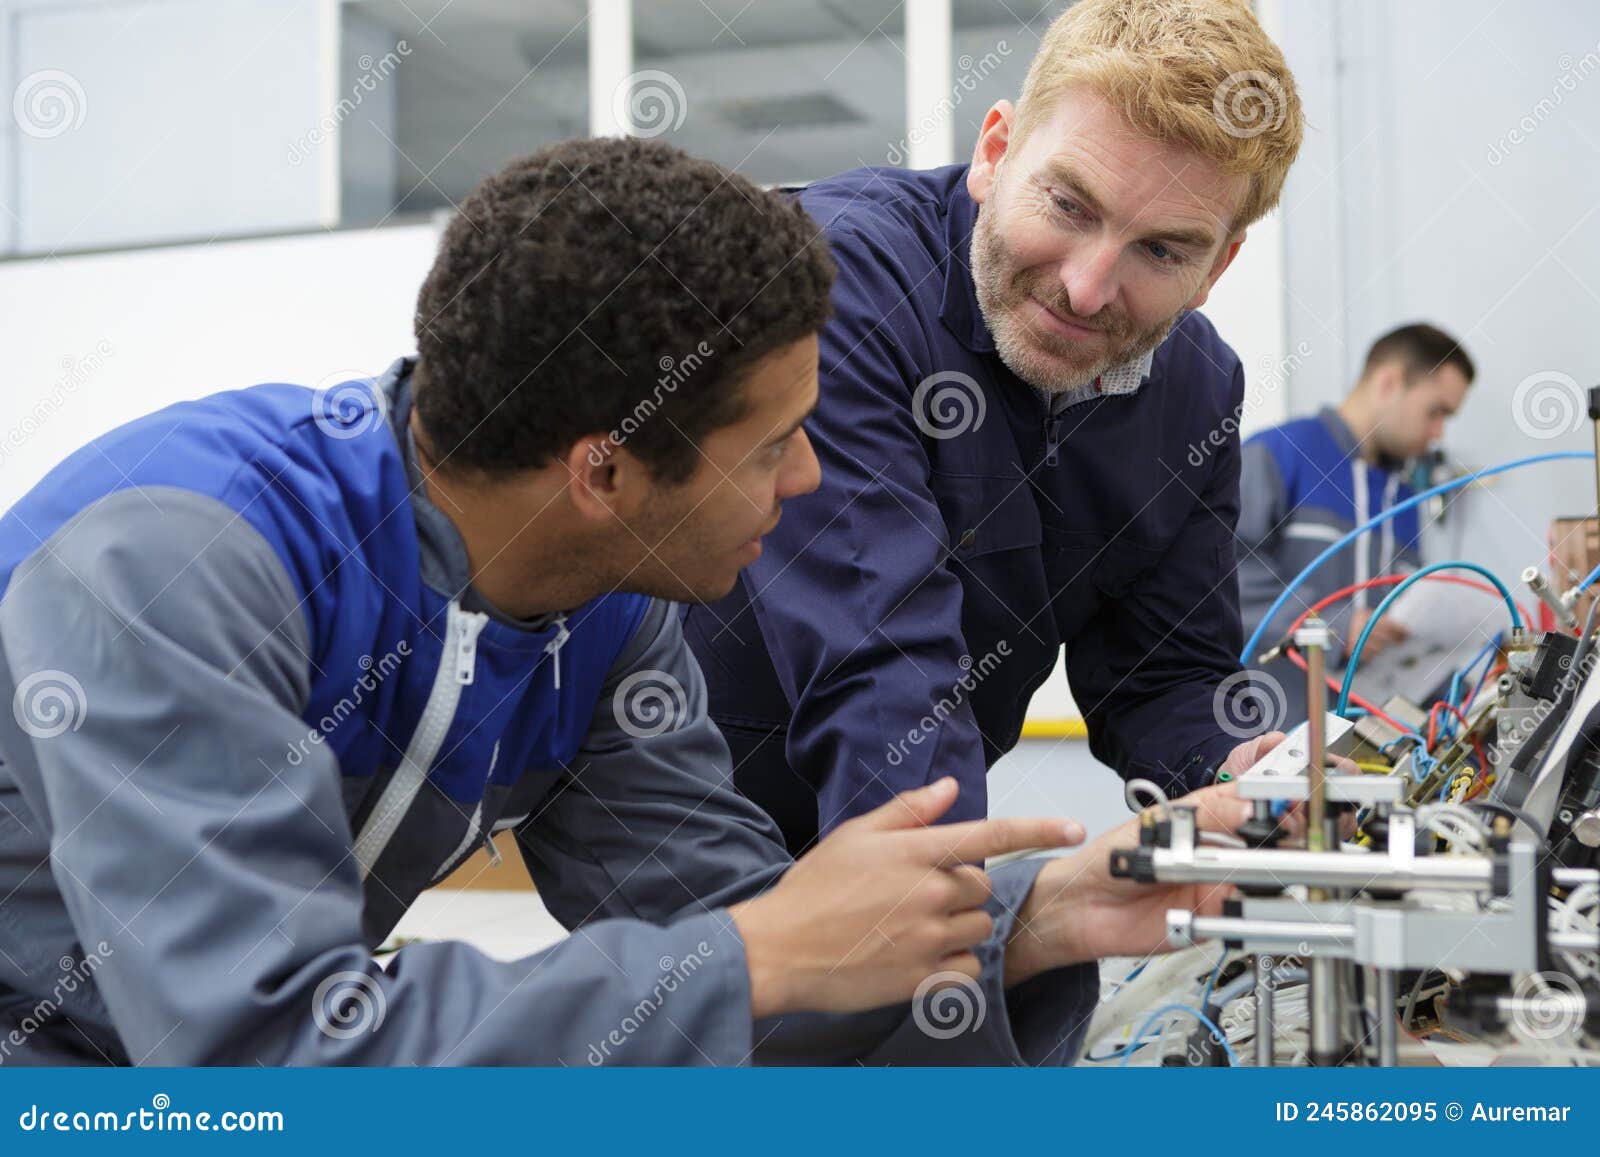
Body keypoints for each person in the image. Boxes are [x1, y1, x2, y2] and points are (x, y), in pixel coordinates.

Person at [0, 138, 1256, 1067]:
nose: (812, 476)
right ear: (604, 468)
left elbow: (722, 919)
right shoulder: (168, 566)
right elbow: (263, 1058)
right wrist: (756, 957)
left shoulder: (605, 612)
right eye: (775, 446)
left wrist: (1033, 918)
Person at [682, 0, 1304, 852]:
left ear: (1215, 267)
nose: (1087, 289)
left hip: (902, 808)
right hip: (684, 815)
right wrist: (947, 931)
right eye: (1070, 206)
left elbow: (1162, 673)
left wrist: (1237, 768)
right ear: (996, 152)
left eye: (1161, 251)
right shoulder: (834, 281)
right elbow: (881, 667)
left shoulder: (1196, 389)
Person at [1236, 323, 1475, 718]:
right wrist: (1334, 625)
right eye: (1436, 412)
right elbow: (1221, 578)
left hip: (1367, 747)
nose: (1438, 434)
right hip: (1270, 734)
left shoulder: (1404, 497)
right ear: (1388, 382)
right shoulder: (1280, 453)